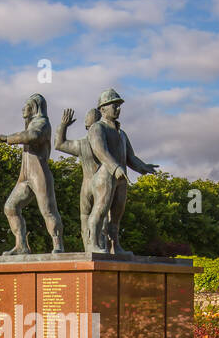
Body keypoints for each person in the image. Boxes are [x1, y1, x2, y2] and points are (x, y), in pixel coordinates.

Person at [86, 88, 159, 257]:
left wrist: (143, 167)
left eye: (119, 106)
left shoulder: (122, 133)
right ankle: (93, 243)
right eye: (114, 105)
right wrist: (115, 168)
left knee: (117, 214)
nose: (118, 109)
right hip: (105, 175)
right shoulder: (97, 128)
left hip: (121, 177)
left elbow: (130, 156)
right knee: (100, 209)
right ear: (103, 109)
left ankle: (114, 245)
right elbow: (100, 150)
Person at [0, 94, 64, 254]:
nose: (23, 108)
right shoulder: (32, 124)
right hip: (25, 176)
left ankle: (58, 244)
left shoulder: (42, 123)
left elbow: (32, 136)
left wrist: (9, 138)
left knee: (48, 210)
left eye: (26, 105)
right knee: (10, 207)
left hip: (39, 174)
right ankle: (21, 245)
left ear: (34, 107)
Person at [54, 106, 123, 251]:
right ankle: (99, 248)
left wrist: (63, 126)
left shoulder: (81, 144)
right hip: (101, 184)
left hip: (86, 186)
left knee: (86, 218)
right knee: (101, 218)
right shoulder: (108, 141)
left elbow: (59, 144)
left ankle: (91, 249)